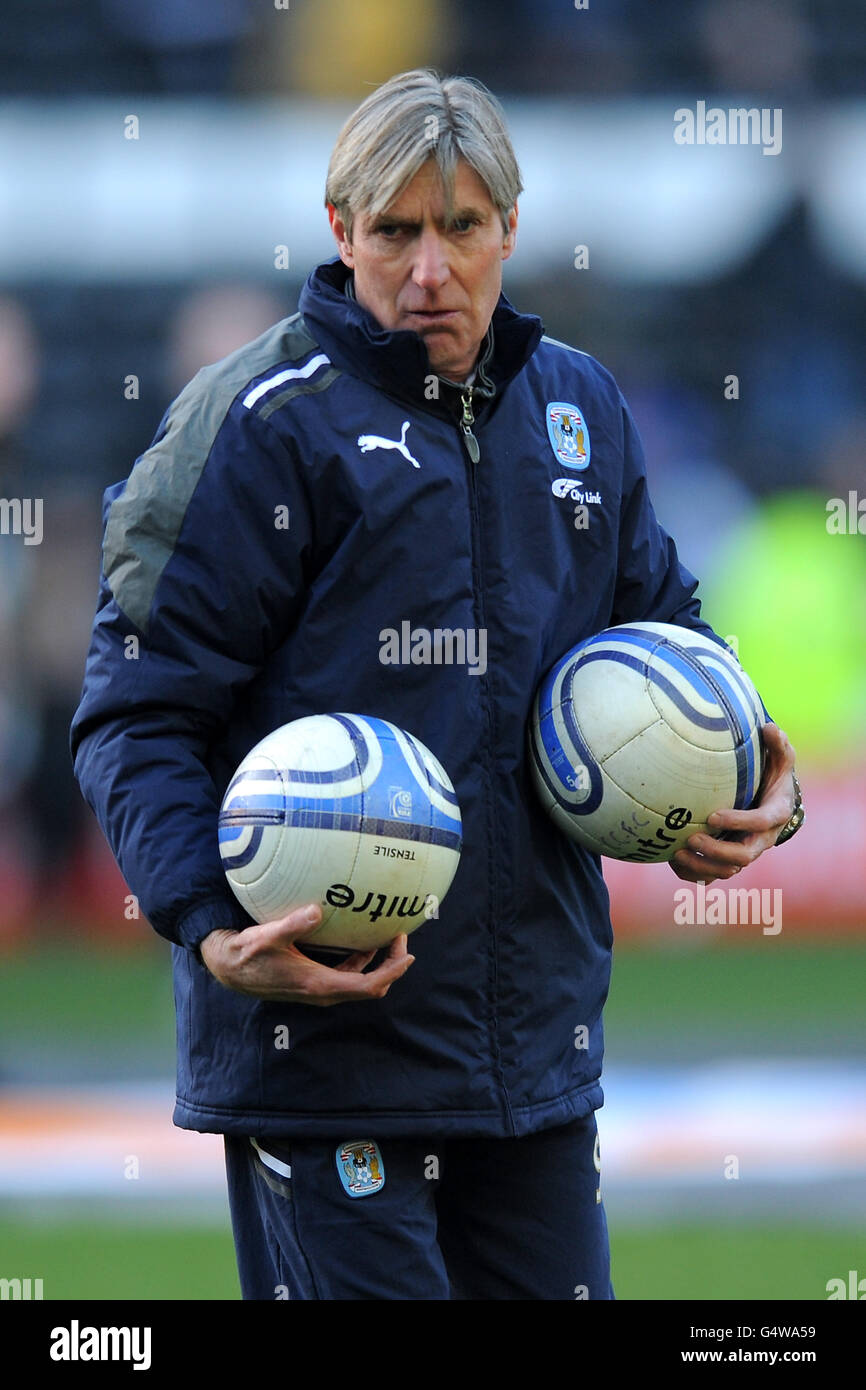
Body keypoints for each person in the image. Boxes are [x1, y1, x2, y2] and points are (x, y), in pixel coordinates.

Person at [70, 69, 802, 1301]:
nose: (427, 271)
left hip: (534, 1052)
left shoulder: (578, 408)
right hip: (323, 1054)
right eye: (396, 230)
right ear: (339, 227)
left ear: (507, 230)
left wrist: (740, 777)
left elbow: (666, 634)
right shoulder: (255, 426)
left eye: (460, 229)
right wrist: (207, 920)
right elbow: (135, 708)